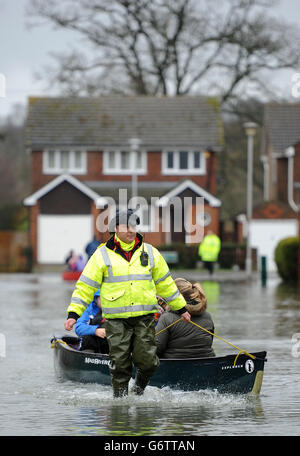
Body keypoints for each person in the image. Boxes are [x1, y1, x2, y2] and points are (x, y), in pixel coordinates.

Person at [64, 208, 191, 397]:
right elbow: (85, 286)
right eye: (126, 226)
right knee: (120, 365)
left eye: (133, 226)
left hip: (145, 318)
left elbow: (166, 283)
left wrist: (181, 308)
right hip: (116, 320)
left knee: (149, 362)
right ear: (115, 228)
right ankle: (121, 402)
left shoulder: (150, 252)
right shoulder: (101, 255)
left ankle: (138, 391)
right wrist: (73, 314)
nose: (131, 230)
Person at [155, 278, 215, 359]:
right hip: (207, 363)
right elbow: (209, 342)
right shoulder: (207, 316)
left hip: (174, 365)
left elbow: (157, 349)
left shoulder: (166, 318)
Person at [75, 289, 109, 354]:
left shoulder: (117, 310)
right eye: (102, 299)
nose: (106, 302)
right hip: (92, 343)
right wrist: (95, 331)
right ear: (96, 300)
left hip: (108, 343)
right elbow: (78, 328)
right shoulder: (88, 310)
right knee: (87, 338)